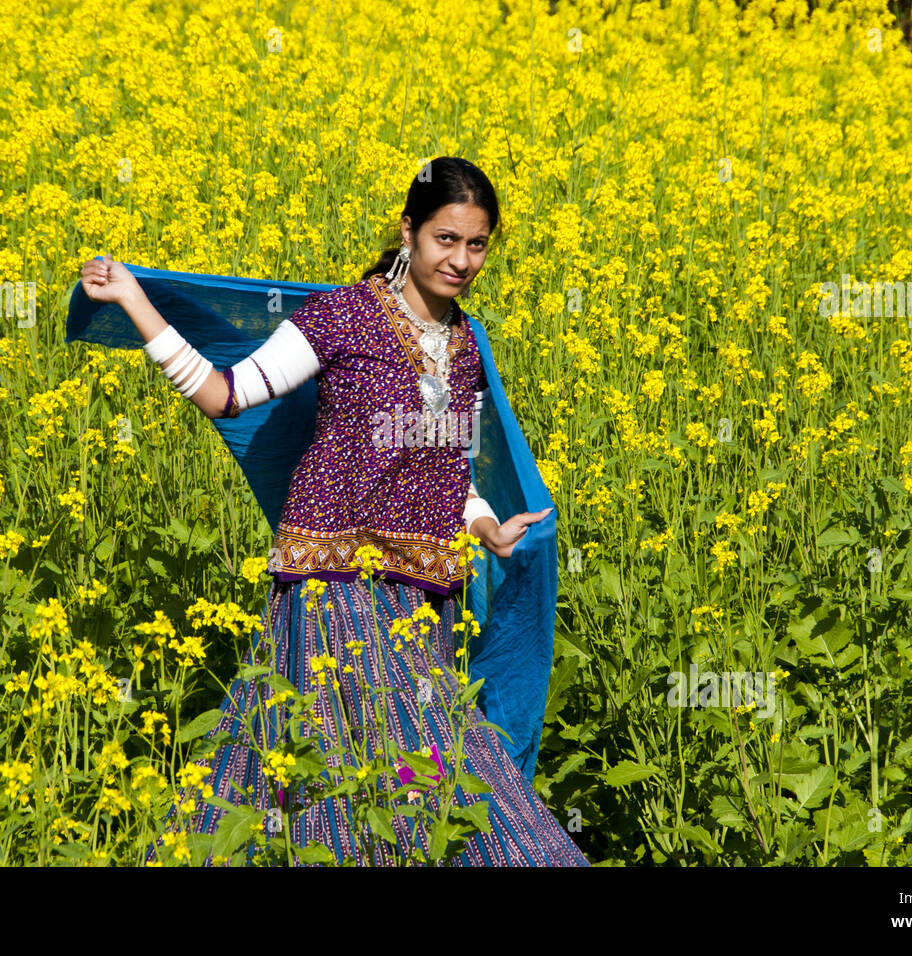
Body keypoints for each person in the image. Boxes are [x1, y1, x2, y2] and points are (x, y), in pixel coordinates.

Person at [75, 157, 588, 866]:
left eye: (477, 245)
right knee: (389, 779)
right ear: (409, 233)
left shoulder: (467, 346)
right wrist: (133, 300)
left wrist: (484, 526)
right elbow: (225, 393)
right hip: (332, 585)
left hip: (425, 594)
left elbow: (447, 468)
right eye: (446, 240)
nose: (462, 260)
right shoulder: (342, 317)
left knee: (410, 788)